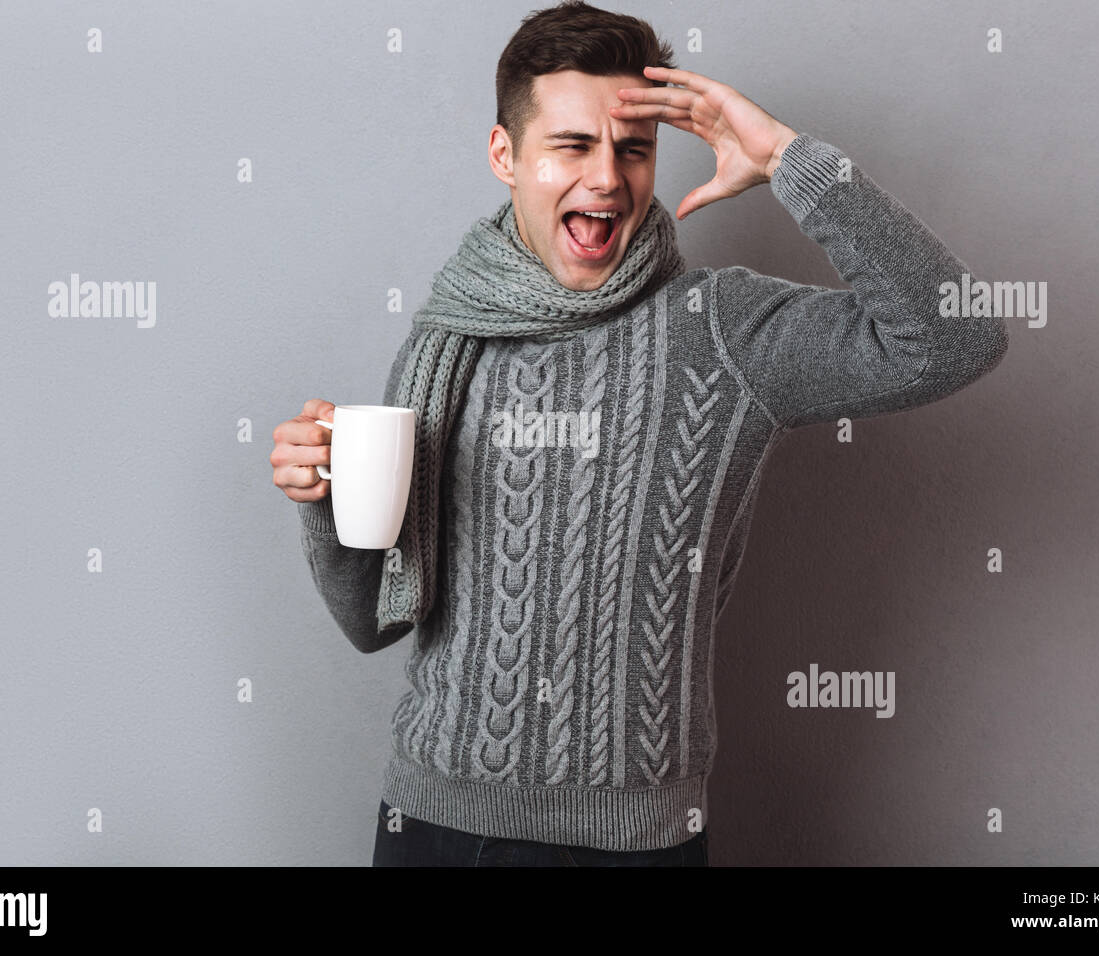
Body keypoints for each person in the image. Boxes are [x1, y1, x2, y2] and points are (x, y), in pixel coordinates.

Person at [271, 0, 1008, 866]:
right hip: (432, 826)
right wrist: (321, 501)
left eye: (633, 149)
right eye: (572, 146)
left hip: (632, 845)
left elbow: (957, 336)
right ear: (505, 155)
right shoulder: (444, 343)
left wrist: (786, 160)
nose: (607, 180)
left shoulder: (722, 330)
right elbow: (371, 620)